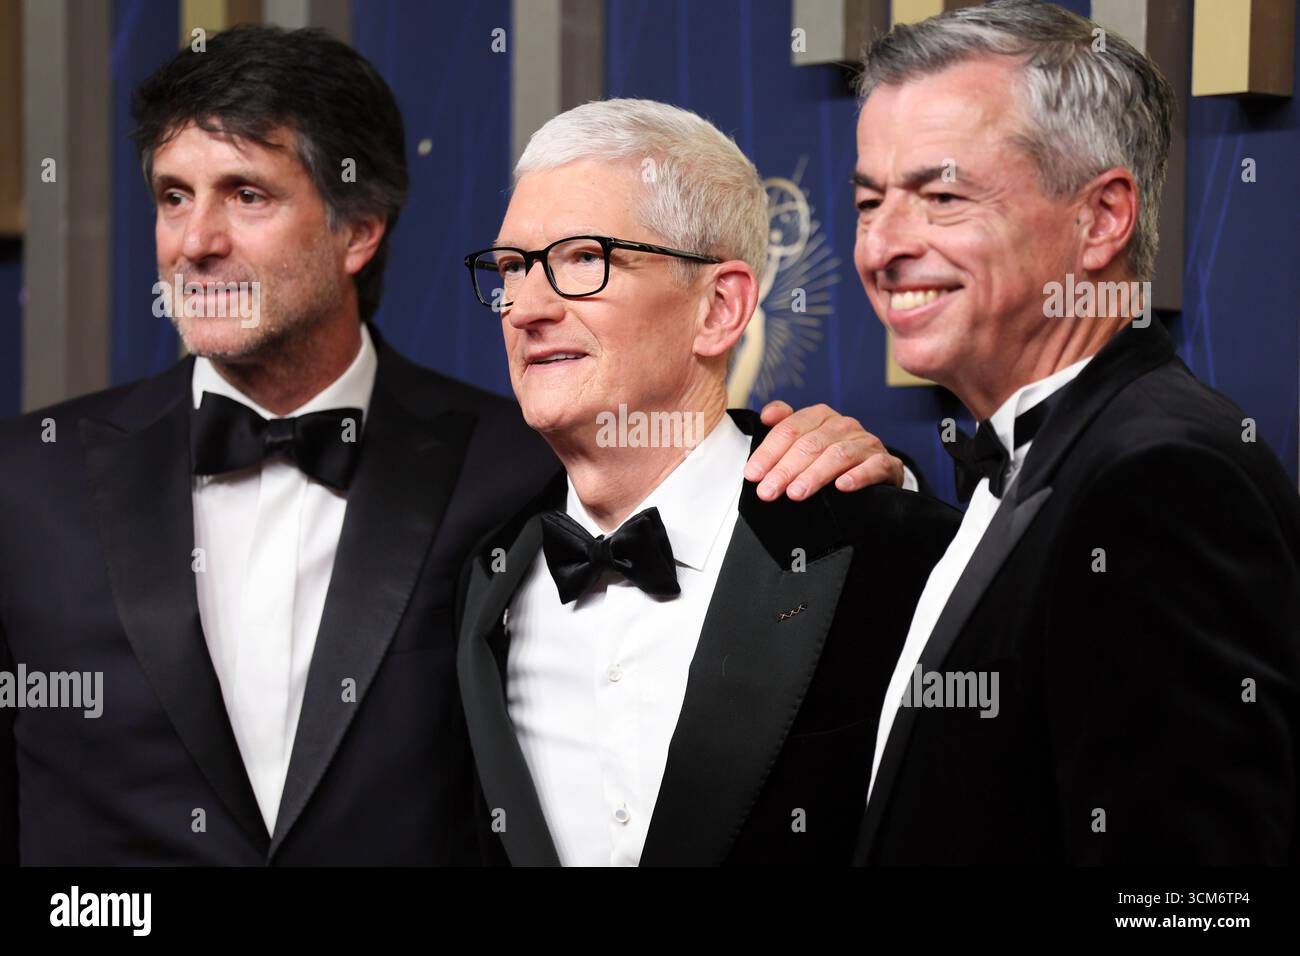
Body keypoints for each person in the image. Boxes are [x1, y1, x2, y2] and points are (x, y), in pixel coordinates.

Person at [0, 25, 903, 866]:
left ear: (359, 230)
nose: (196, 242)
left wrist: (847, 466)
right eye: (172, 197)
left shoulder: (517, 464)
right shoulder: (24, 478)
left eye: (246, 195)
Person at [852, 0, 1300, 865]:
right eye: (871, 201)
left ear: (1102, 219)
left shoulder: (1159, 481)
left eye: (941, 197)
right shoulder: (1050, 459)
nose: (883, 246)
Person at [455, 98, 960, 866]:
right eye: (512, 268)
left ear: (719, 308)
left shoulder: (892, 553)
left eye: (582, 259)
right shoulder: (484, 579)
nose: (525, 307)